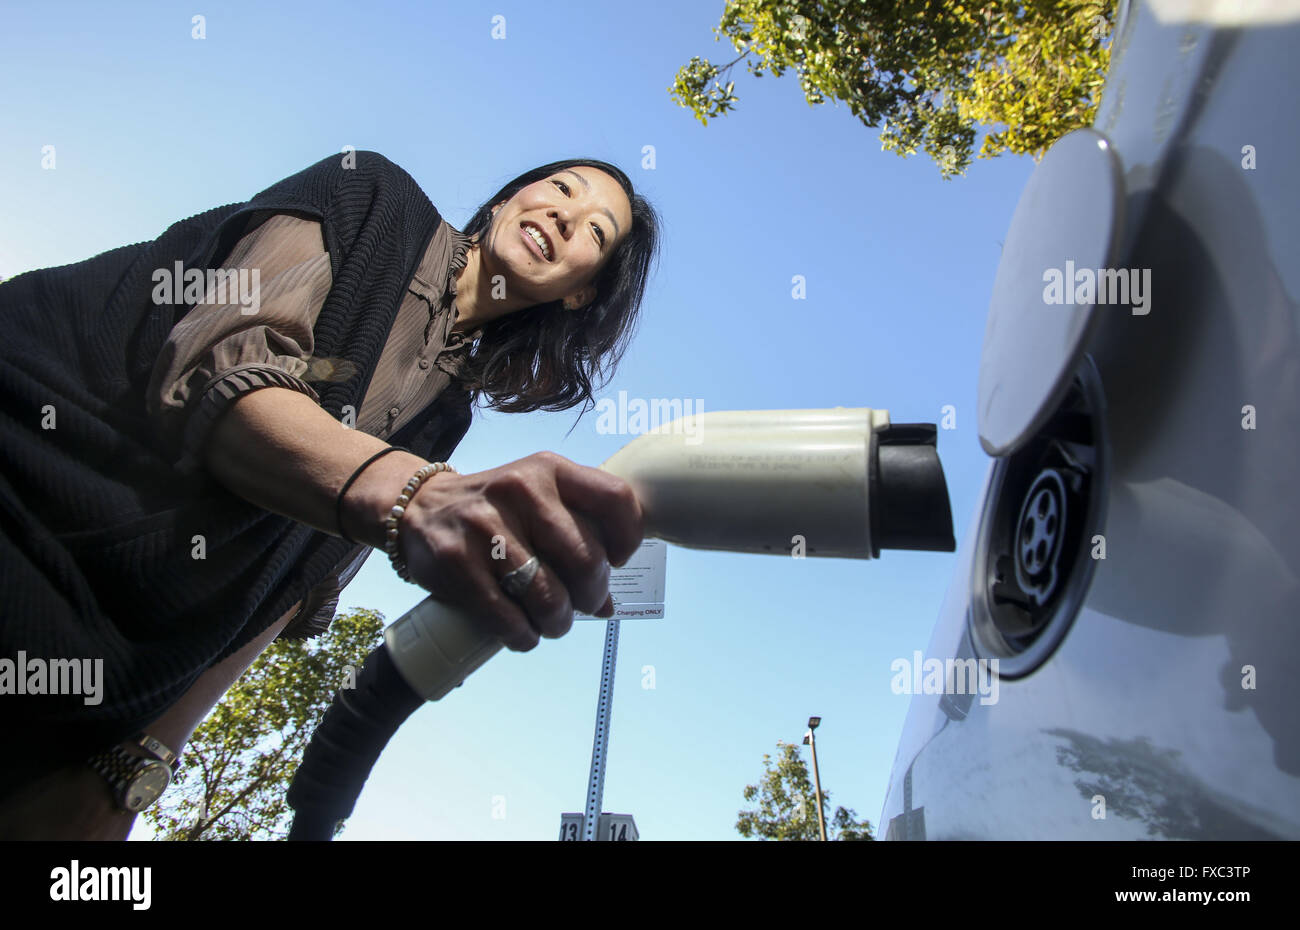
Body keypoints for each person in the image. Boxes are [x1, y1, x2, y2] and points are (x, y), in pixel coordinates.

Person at [0, 151, 660, 838]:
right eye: (560, 188)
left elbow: (286, 586)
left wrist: (138, 763)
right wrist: (415, 495)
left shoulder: (446, 418)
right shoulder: (370, 193)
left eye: (595, 230)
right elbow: (224, 367)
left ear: (580, 292)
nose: (564, 212)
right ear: (505, 200)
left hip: (97, 688)